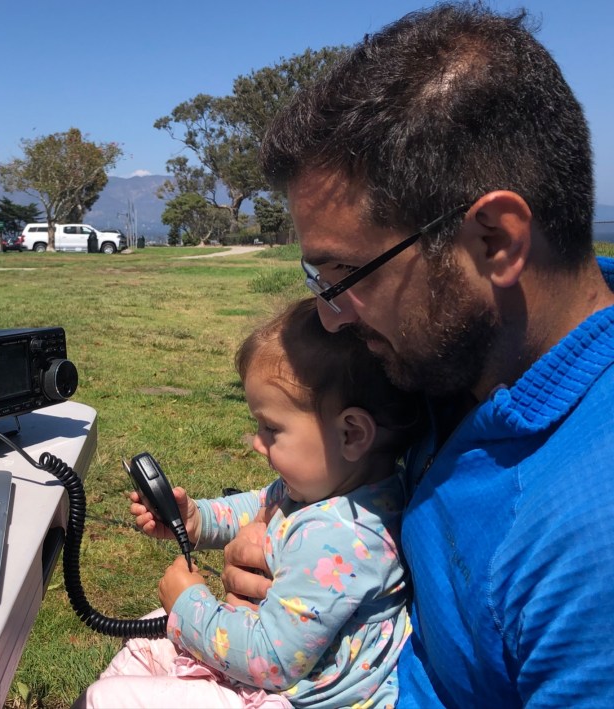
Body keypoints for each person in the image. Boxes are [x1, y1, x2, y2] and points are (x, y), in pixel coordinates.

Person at [220, 4, 614, 706]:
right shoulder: (461, 357)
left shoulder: (590, 550)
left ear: (494, 241)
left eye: (346, 277)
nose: (331, 318)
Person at [79, 298, 425, 708]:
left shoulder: (342, 539)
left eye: (272, 429)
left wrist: (189, 606)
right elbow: (257, 506)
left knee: (109, 699)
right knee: (144, 638)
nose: (257, 444)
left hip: (290, 698)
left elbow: (273, 660)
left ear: (351, 434)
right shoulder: (326, 488)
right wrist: (195, 519)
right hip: (261, 668)